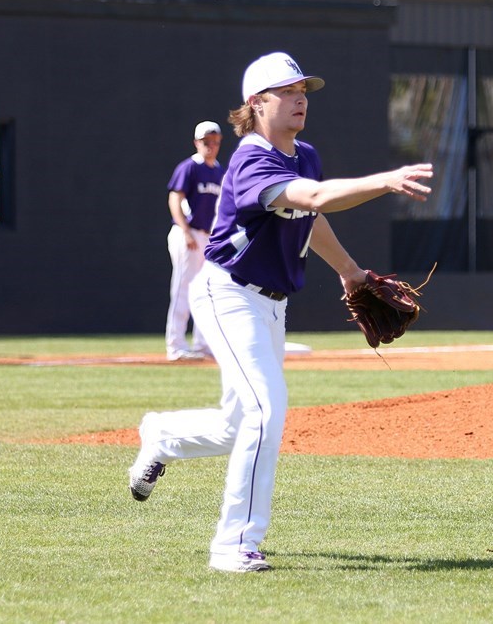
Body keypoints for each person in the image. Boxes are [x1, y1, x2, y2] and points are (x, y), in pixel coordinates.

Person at [128, 51, 434, 572]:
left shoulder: (303, 154)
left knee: (238, 424)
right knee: (266, 410)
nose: (300, 99)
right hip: (228, 295)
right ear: (256, 103)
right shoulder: (251, 160)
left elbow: (310, 217)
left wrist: (349, 270)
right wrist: (384, 180)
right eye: (287, 91)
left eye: (303, 91)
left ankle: (162, 436)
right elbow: (314, 196)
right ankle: (234, 545)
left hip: (271, 305)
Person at [164, 121, 224, 361]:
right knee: (183, 288)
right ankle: (175, 345)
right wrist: (186, 231)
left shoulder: (219, 171)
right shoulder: (189, 167)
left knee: (207, 291)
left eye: (215, 141)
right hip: (187, 234)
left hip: (208, 237)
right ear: (196, 142)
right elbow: (174, 200)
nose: (211, 146)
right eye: (206, 141)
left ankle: (202, 343)